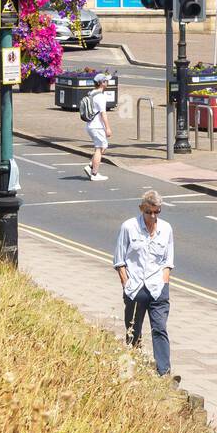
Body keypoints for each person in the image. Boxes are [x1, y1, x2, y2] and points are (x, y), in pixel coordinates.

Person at [113, 189, 174, 377]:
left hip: (158, 289)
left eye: (157, 212)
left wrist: (164, 281)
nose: (153, 216)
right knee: (133, 331)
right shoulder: (128, 227)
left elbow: (168, 261)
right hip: (135, 288)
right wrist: (126, 284)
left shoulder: (166, 229)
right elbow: (119, 260)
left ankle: (164, 373)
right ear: (141, 209)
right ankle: (130, 371)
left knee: (160, 329)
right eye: (149, 212)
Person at [82, 71, 112, 181]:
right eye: (106, 81)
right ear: (101, 83)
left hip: (91, 125)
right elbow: (103, 114)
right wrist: (108, 128)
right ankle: (94, 174)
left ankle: (90, 166)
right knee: (99, 149)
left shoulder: (92, 93)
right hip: (97, 126)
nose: (107, 82)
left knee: (103, 146)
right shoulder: (100, 97)